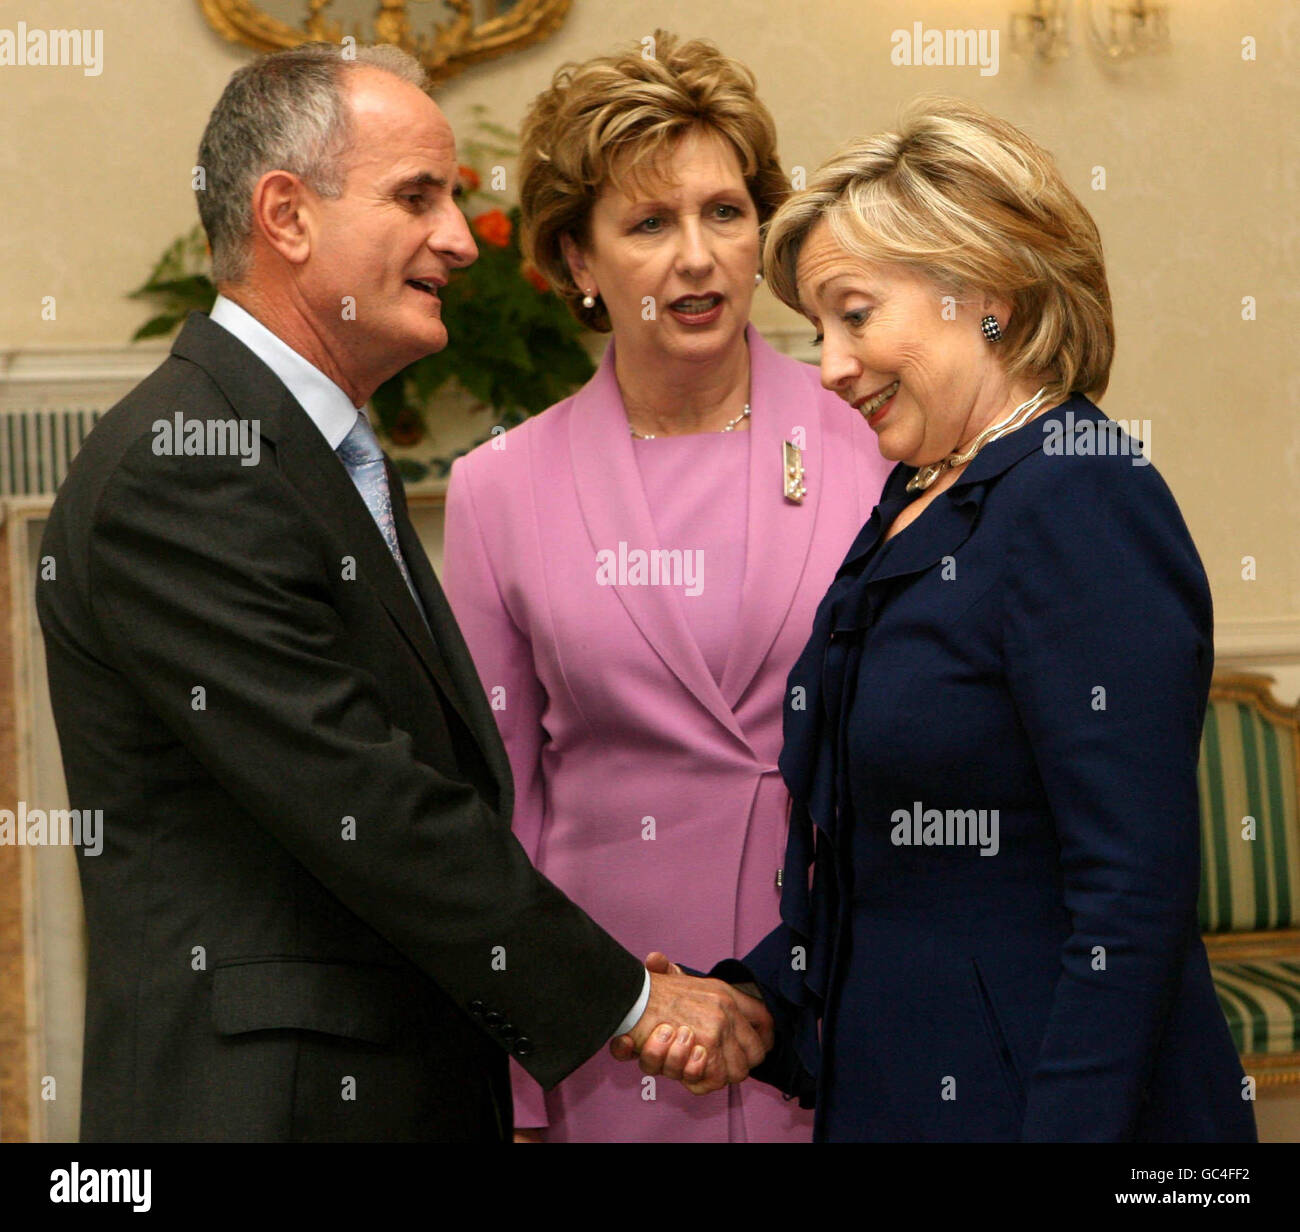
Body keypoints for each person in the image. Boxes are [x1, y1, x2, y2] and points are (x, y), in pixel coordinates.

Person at [35, 42, 770, 1143]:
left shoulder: (301, 448)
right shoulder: (186, 463)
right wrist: (628, 997)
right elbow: (365, 797)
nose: (460, 243)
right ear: (286, 215)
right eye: (417, 197)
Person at [624, 95, 1258, 1143]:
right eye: (818, 327)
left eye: (855, 314)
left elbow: (1128, 897)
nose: (828, 367)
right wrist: (763, 997)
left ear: (986, 295)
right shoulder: (929, 489)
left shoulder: (1078, 490)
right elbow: (895, 867)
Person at [442, 31, 890, 1142]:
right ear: (579, 263)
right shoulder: (499, 486)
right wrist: (517, 1077)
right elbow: (496, 803)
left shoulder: (873, 437)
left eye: (724, 212)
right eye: (649, 223)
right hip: (616, 1019)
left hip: (845, 990)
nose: (697, 255)